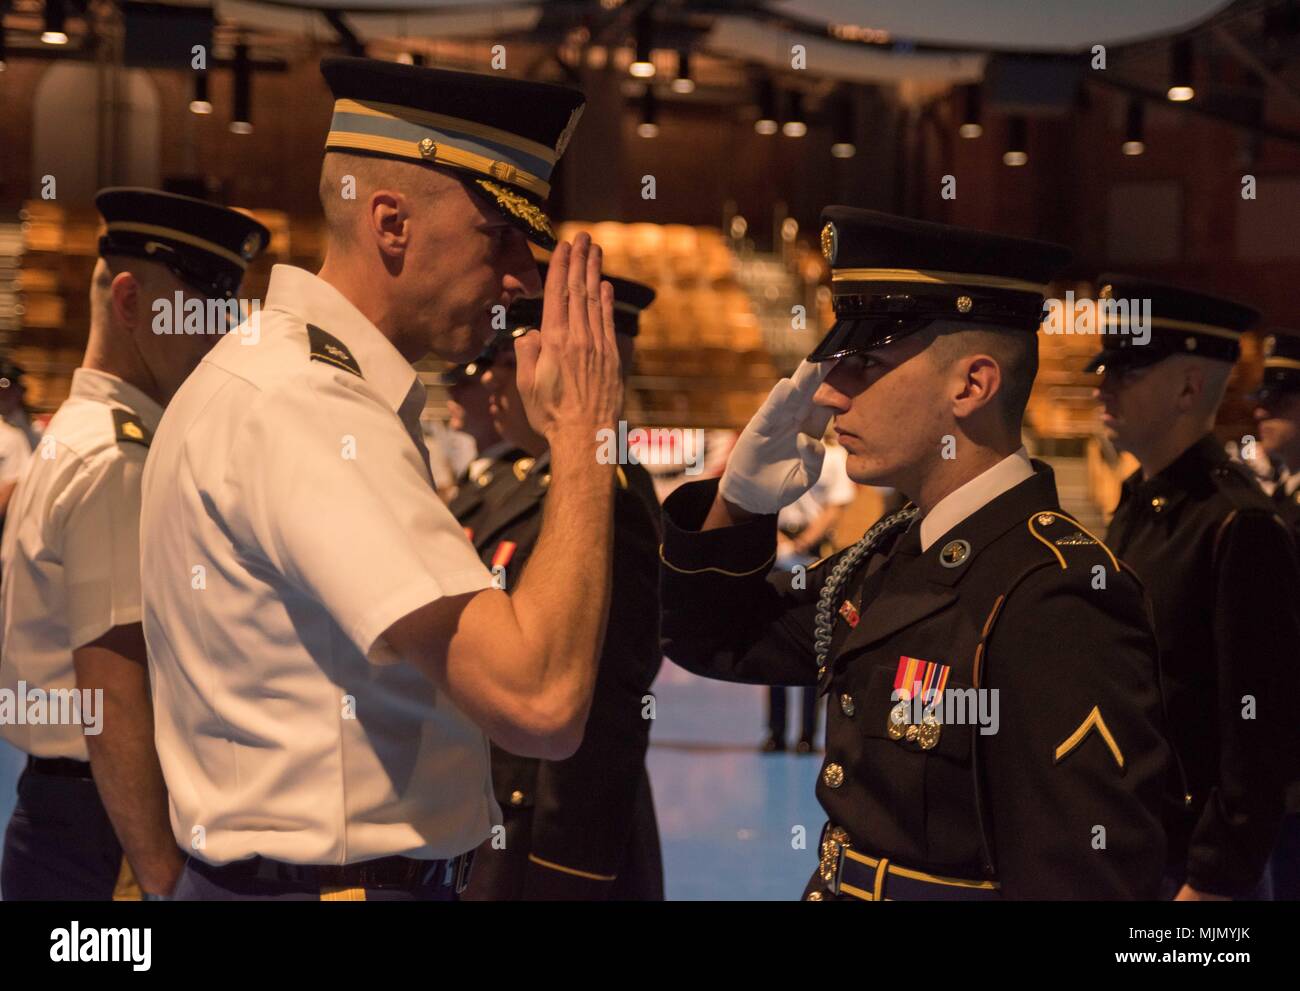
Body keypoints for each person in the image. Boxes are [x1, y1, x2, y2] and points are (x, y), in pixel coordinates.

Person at [139, 56, 624, 901]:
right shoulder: (310, 407)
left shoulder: (269, 372)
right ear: (391, 223)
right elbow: (539, 700)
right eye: (498, 235)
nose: (523, 277)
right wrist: (586, 438)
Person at [660, 207, 1173, 900]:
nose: (833, 391)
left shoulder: (1055, 594)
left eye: (866, 362)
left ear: (971, 385)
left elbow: (1086, 880)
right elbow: (717, 638)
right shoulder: (889, 554)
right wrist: (739, 504)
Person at [0, 188, 269, 900]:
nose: (223, 338)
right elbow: (112, 695)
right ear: (129, 301)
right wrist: (161, 877)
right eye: (205, 313)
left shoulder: (81, 434)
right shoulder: (118, 462)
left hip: (76, 811)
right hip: (111, 825)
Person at [1090, 276, 1300, 900]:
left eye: (1126, 372)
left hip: (1192, 872)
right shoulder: (1142, 502)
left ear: (1187, 388)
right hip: (1135, 844)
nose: (1102, 387)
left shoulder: (1239, 522)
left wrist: (1214, 881)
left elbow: (1258, 731)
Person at [457, 270, 663, 900]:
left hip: (544, 834)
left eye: (517, 355)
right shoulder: (515, 482)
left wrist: (569, 869)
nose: (492, 377)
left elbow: (610, 706)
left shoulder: (609, 501)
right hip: (492, 806)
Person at [762, 439, 856, 754]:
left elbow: (836, 505)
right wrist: (778, 540)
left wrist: (803, 541)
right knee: (772, 643)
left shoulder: (833, 456)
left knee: (811, 647)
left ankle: (807, 734)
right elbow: (763, 502)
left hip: (814, 555)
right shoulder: (776, 451)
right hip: (777, 553)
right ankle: (775, 732)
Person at [0, 359, 37, 527]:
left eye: (7, 388)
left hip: (22, 511)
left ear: (20, 392)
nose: (2, 394)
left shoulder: (39, 432)